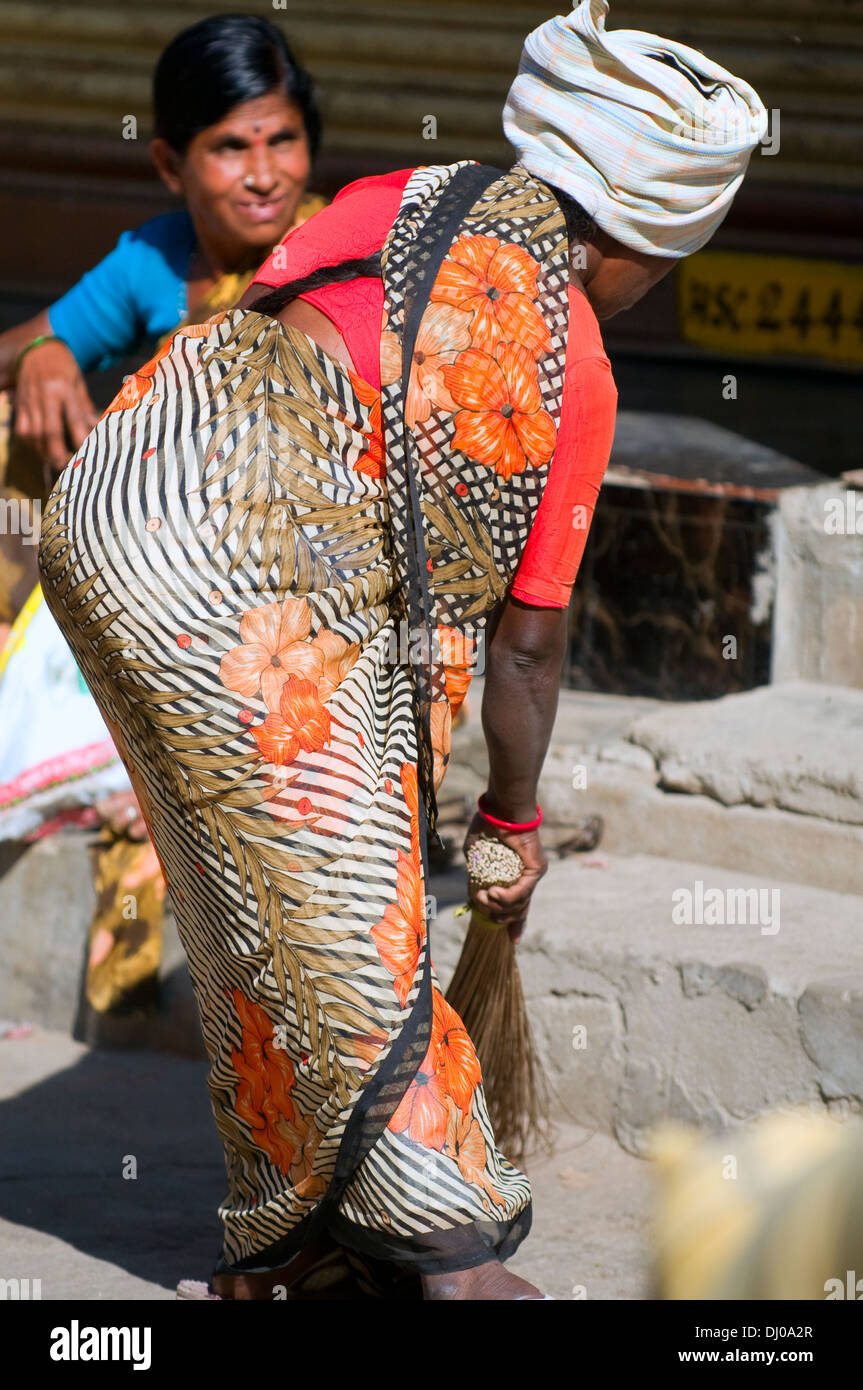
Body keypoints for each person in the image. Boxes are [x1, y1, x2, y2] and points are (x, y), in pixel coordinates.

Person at [38, 0, 767, 1300]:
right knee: (345, 920)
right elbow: (527, 649)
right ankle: (452, 1251)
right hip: (242, 559)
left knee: (244, 898)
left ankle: (295, 1241)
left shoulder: (401, 189)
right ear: (643, 247)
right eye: (654, 273)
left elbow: (287, 337)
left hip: (117, 498)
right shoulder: (574, 362)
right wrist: (510, 817)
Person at [0, 15, 324, 1010]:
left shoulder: (338, 252)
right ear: (168, 161)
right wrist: (44, 354)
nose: (264, 172)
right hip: (146, 556)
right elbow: (17, 345)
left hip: (283, 577)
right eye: (230, 147)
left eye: (282, 140)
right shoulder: (155, 260)